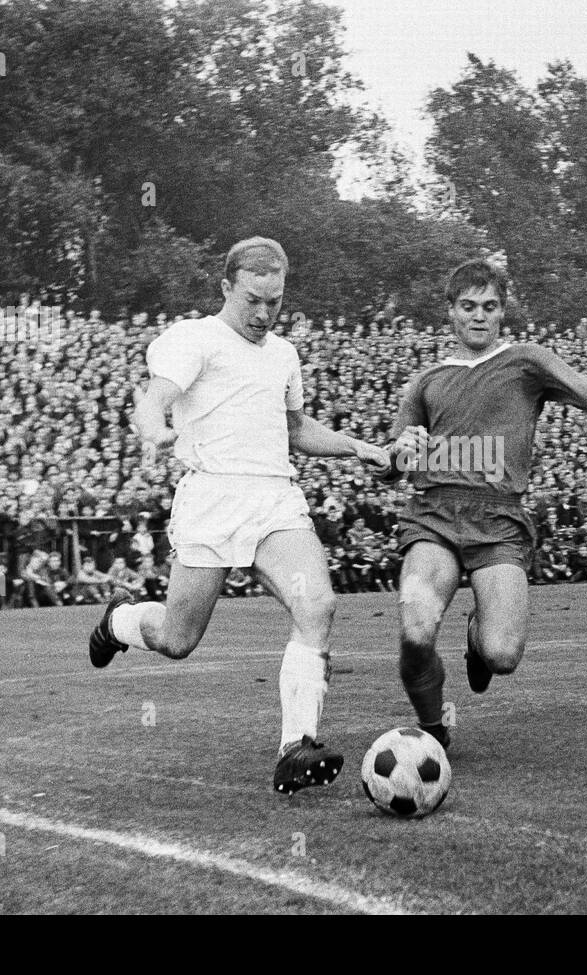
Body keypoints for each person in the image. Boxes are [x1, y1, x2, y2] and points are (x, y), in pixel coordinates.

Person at [88, 236, 391, 795]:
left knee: (317, 604)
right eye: (252, 298)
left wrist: (358, 448)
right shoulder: (194, 338)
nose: (262, 313)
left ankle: (296, 747)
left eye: (274, 301)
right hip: (212, 499)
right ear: (226, 287)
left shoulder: (283, 355)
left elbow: (295, 429)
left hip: (274, 499)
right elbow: (155, 396)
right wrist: (152, 425)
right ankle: (121, 622)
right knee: (178, 640)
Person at [378, 258, 587, 748]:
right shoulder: (425, 381)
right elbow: (391, 458)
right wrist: (398, 454)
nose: (479, 316)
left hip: (499, 518)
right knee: (415, 626)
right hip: (434, 515)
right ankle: (433, 730)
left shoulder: (526, 360)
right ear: (450, 312)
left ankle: (476, 638)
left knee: (502, 656)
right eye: (468, 306)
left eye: (490, 306)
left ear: (503, 311)